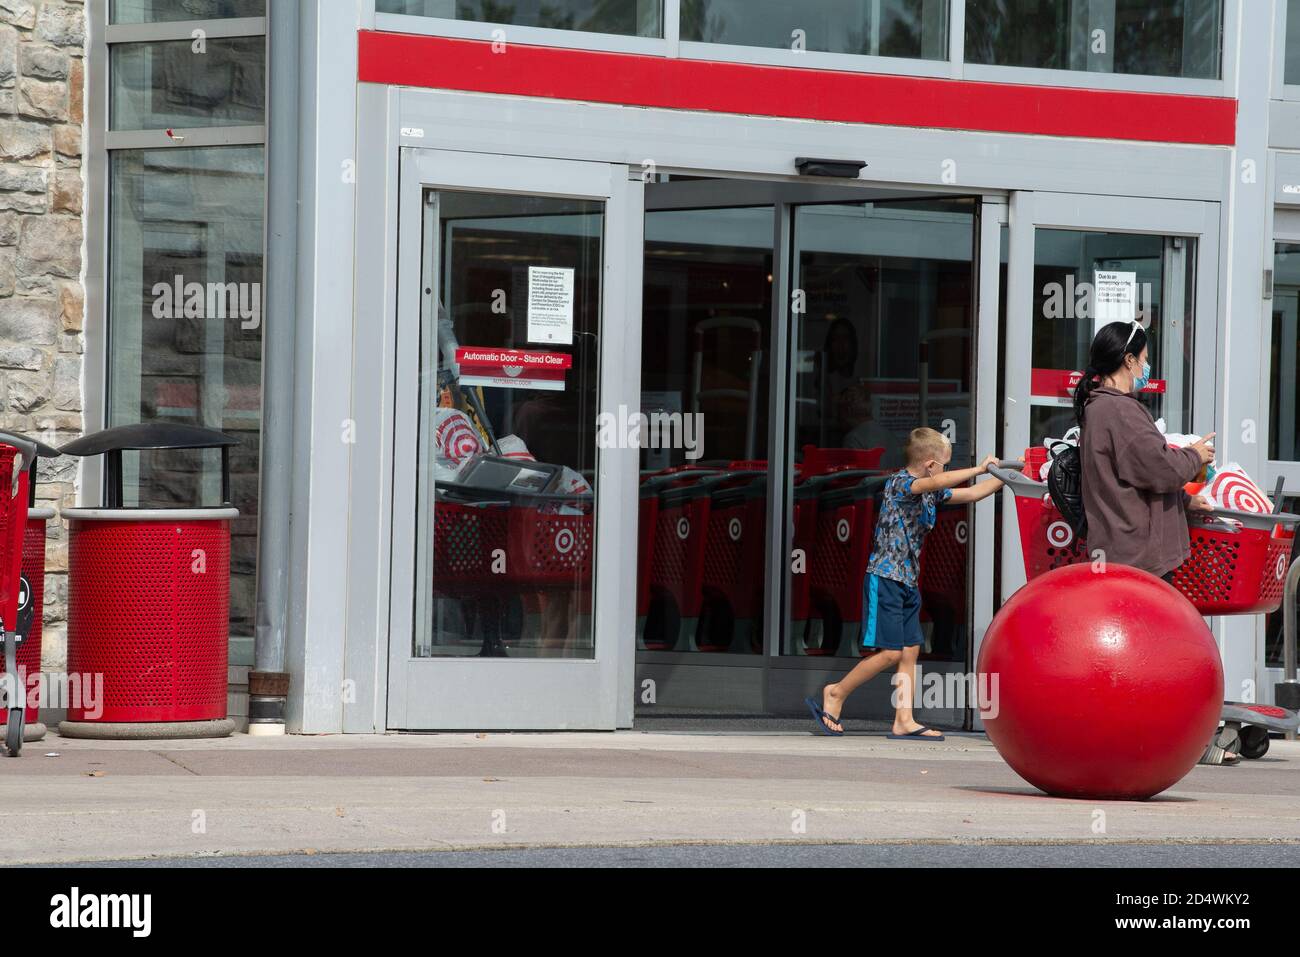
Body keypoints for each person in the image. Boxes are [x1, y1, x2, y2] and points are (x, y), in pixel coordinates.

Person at [806, 428, 1003, 738]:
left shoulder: (930, 492)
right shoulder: (899, 483)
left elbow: (972, 494)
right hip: (885, 578)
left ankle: (904, 720)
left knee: (910, 651)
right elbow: (937, 482)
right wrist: (978, 468)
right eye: (945, 464)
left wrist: (1004, 475)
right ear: (929, 463)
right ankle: (836, 693)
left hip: (908, 581)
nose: (946, 470)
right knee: (890, 653)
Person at [1073, 320, 1215, 582]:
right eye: (1144, 359)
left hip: (1119, 552)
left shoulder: (1098, 407)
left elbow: (1133, 473)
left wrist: (1184, 501)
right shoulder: (1121, 411)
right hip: (1138, 559)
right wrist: (1196, 455)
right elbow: (1163, 469)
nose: (1146, 366)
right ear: (1129, 360)